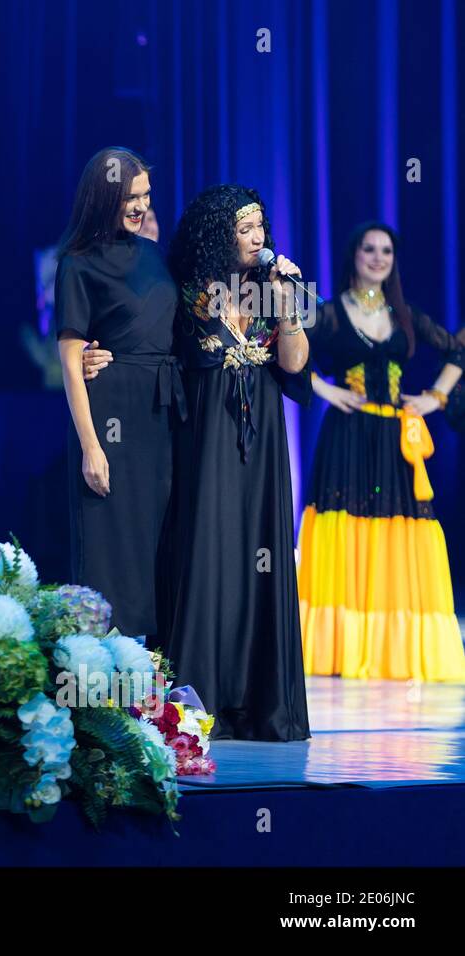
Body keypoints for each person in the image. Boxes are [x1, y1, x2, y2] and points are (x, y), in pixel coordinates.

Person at [159, 184, 311, 741]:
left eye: (260, 228)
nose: (258, 238)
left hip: (263, 433)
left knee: (260, 549)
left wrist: (289, 303)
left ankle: (260, 701)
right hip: (207, 430)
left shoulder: (274, 291)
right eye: (245, 229)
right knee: (210, 546)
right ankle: (200, 701)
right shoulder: (190, 291)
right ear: (220, 233)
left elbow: (293, 362)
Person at [299, 222, 465, 682]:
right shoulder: (330, 313)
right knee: (349, 531)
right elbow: (283, 351)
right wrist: (325, 392)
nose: (377, 257)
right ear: (353, 255)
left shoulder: (403, 314)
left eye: (386, 251)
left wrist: (436, 397)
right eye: (369, 249)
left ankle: (391, 650)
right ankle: (342, 649)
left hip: (395, 440)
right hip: (347, 437)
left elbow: (457, 351)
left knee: (400, 532)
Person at [55, 147, 181, 637]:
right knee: (113, 549)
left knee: (160, 545)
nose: (140, 207)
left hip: (165, 411)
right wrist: (91, 445)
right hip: (112, 415)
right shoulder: (78, 263)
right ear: (103, 197)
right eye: (131, 197)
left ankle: (160, 685)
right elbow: (69, 360)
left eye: (146, 196)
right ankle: (108, 689)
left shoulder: (153, 254)